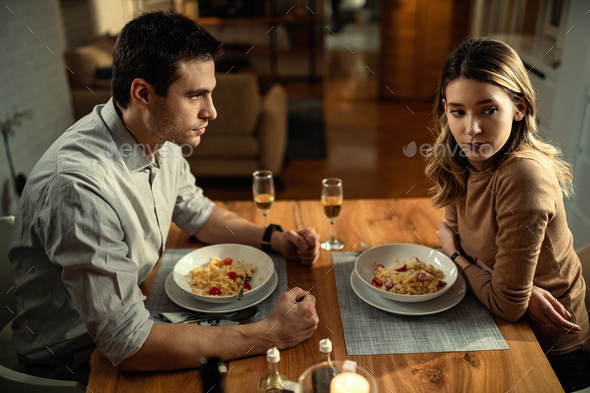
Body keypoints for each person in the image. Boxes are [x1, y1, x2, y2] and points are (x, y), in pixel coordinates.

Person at [9, 11, 320, 384]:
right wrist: (271, 333)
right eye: (195, 95)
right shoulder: (79, 187)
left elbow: (198, 213)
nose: (212, 111)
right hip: (74, 365)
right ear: (142, 94)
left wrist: (274, 238)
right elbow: (129, 345)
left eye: (211, 93)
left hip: (123, 327)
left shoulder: (159, 135)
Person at [427, 37, 590, 392]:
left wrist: (454, 254)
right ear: (446, 109)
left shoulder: (523, 175)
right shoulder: (466, 157)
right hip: (503, 321)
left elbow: (505, 303)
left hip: (555, 353)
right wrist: (516, 287)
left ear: (519, 106)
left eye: (488, 110)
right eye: (458, 111)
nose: (471, 129)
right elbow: (455, 232)